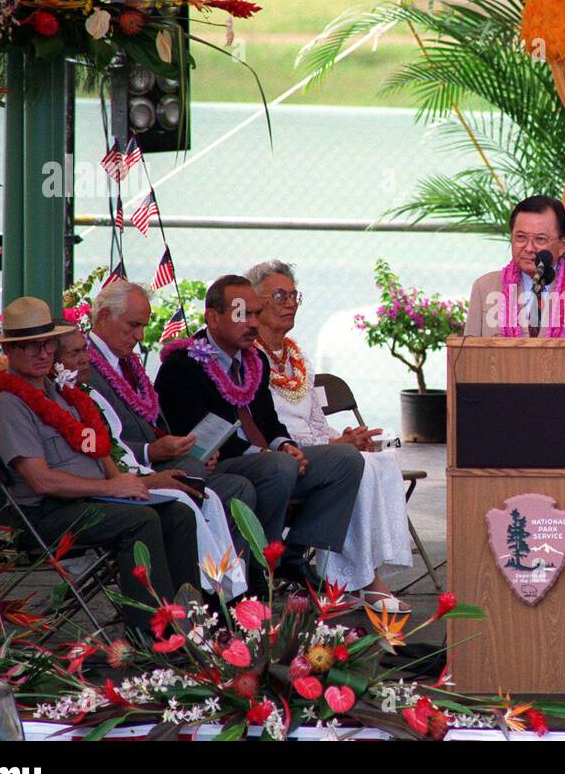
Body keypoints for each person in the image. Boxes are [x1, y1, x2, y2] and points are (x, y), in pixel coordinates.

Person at [0, 297, 200, 635]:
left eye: (47, 344)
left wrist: (134, 483)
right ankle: (155, 635)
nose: (41, 354)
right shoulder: (7, 405)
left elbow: (99, 451)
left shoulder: (64, 393)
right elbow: (41, 482)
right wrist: (112, 488)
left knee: (178, 513)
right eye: (28, 347)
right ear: (9, 351)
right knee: (139, 521)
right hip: (48, 513)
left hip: (94, 501)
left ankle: (191, 624)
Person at [155, 275, 365, 588]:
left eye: (256, 313)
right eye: (243, 315)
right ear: (213, 317)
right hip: (217, 463)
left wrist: (285, 444)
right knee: (278, 465)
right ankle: (258, 564)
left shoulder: (255, 361)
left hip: (265, 460)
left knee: (346, 459)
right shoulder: (184, 364)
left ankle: (291, 555)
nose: (253, 323)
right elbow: (198, 440)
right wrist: (271, 455)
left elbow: (267, 420)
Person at [248, 259, 413, 613]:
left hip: (319, 451)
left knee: (380, 461)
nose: (290, 302)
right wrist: (335, 447)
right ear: (254, 302)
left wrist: (346, 436)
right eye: (279, 295)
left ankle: (359, 577)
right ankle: (358, 582)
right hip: (281, 456)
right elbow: (267, 427)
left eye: (294, 295)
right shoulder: (249, 358)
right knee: (356, 464)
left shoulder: (297, 357)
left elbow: (315, 422)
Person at [56, 328, 248, 600]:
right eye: (75, 353)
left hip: (129, 476)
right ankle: (202, 602)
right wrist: (150, 481)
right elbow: (95, 470)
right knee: (181, 505)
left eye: (85, 349)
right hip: (96, 496)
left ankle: (229, 595)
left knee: (209, 498)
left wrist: (147, 478)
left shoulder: (89, 394)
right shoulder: (57, 404)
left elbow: (113, 455)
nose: (85, 359)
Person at [85, 280, 258, 528]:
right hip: (124, 473)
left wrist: (191, 449)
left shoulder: (128, 363)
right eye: (133, 325)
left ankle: (233, 566)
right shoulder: (84, 368)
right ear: (103, 316)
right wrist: (150, 451)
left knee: (238, 488)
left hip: (165, 464)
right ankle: (193, 564)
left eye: (143, 326)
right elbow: (96, 444)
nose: (140, 336)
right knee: (194, 472)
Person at [465, 195, 565, 338]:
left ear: (562, 245)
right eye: (521, 237)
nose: (529, 248)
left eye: (540, 239)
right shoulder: (484, 288)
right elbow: (468, 354)